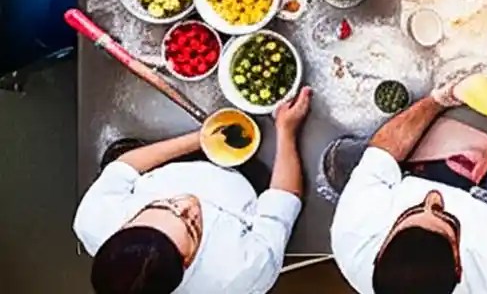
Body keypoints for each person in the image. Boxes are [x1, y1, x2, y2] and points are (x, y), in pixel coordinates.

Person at [329, 75, 487, 294]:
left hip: (408, 177)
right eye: (445, 217)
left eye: (410, 212)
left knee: (348, 158)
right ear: (459, 267)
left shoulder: (353, 234)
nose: (434, 197)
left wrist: (441, 99)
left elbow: (382, 153)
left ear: (378, 253)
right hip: (485, 203)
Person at [72, 88, 313, 294]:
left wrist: (201, 139)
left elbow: (125, 167)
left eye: (165, 205)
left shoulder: (93, 220)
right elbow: (284, 199)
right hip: (249, 187)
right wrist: (286, 131)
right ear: (186, 262)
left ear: (124, 225)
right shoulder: (242, 273)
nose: (189, 203)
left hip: (183, 163)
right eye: (192, 225)